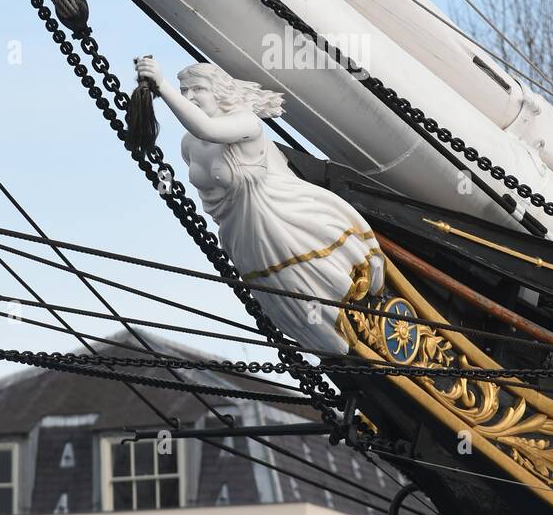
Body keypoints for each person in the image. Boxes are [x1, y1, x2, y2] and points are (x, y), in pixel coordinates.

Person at [135, 57, 385, 355]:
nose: (189, 96)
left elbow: (209, 130)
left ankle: (358, 332)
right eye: (184, 90)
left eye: (197, 89)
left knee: (310, 281)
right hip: (239, 232)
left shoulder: (245, 122)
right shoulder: (188, 145)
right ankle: (334, 345)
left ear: (218, 90)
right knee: (283, 299)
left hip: (279, 218)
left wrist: (162, 87)